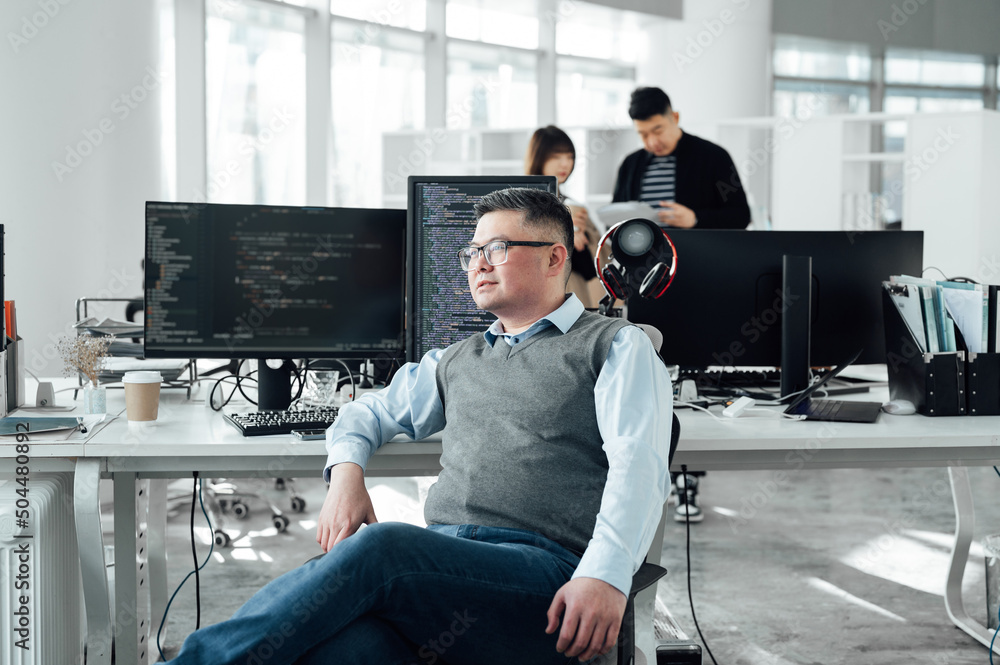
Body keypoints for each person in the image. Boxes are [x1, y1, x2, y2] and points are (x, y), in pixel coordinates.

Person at [164, 187, 672, 665]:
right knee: (337, 646)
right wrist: (345, 476)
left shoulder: (615, 346)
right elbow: (364, 412)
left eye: (496, 249)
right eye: (472, 252)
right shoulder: (456, 359)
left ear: (555, 258)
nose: (478, 264)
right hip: (442, 581)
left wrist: (605, 576)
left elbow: (639, 468)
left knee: (382, 549)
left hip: (547, 580)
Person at [612, 86, 752, 230]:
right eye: (643, 134)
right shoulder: (630, 164)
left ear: (675, 118)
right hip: (640, 245)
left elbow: (741, 216)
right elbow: (612, 222)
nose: (653, 142)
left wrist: (695, 219)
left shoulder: (714, 157)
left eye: (658, 131)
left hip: (694, 245)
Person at [525, 125, 603, 308]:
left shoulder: (574, 207)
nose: (565, 164)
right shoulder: (520, 204)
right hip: (533, 299)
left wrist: (579, 239)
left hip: (573, 296)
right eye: (557, 156)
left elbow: (592, 268)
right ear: (539, 157)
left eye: (570, 157)